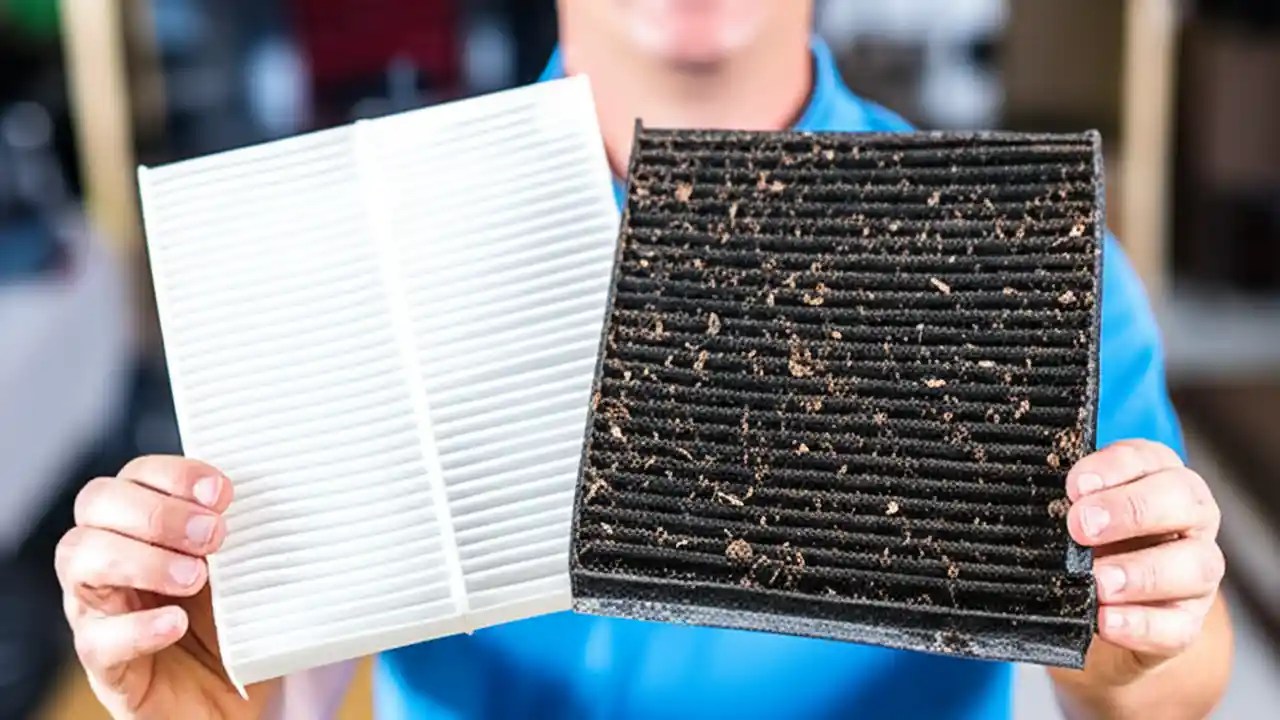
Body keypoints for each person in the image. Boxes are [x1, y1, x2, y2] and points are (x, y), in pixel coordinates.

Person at [55, 2, 1233, 718]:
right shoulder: (350, 246)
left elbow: (1169, 683)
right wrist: (206, 697)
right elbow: (280, 690)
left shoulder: (1023, 264)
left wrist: (1138, 635)